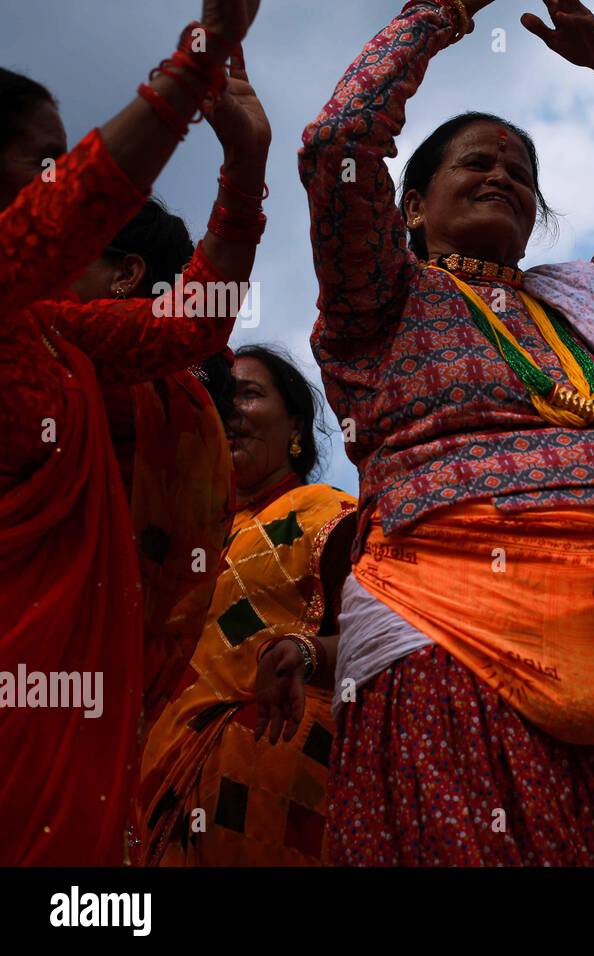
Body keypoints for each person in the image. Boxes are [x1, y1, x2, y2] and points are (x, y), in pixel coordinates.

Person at [298, 0, 594, 865]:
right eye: (478, 161)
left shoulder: (583, 302)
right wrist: (441, 13)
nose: (504, 177)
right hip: (443, 635)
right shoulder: (380, 297)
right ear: (411, 207)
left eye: (522, 172)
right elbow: (340, 144)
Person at [0, 0, 263, 866]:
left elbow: (191, 327)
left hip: (66, 708)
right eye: (42, 155)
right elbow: (66, 214)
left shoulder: (52, 328)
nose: (59, 172)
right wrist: (200, 57)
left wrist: (245, 162)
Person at [135, 347, 355, 865]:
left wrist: (305, 653)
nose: (230, 411)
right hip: (155, 795)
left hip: (277, 804)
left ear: (295, 424)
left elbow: (394, 643)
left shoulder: (330, 514)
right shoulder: (178, 546)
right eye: (221, 400)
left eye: (250, 394)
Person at [73, 198, 242, 733]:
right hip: (117, 695)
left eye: (64, 255)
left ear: (125, 274)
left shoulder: (103, 378)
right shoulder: (186, 397)